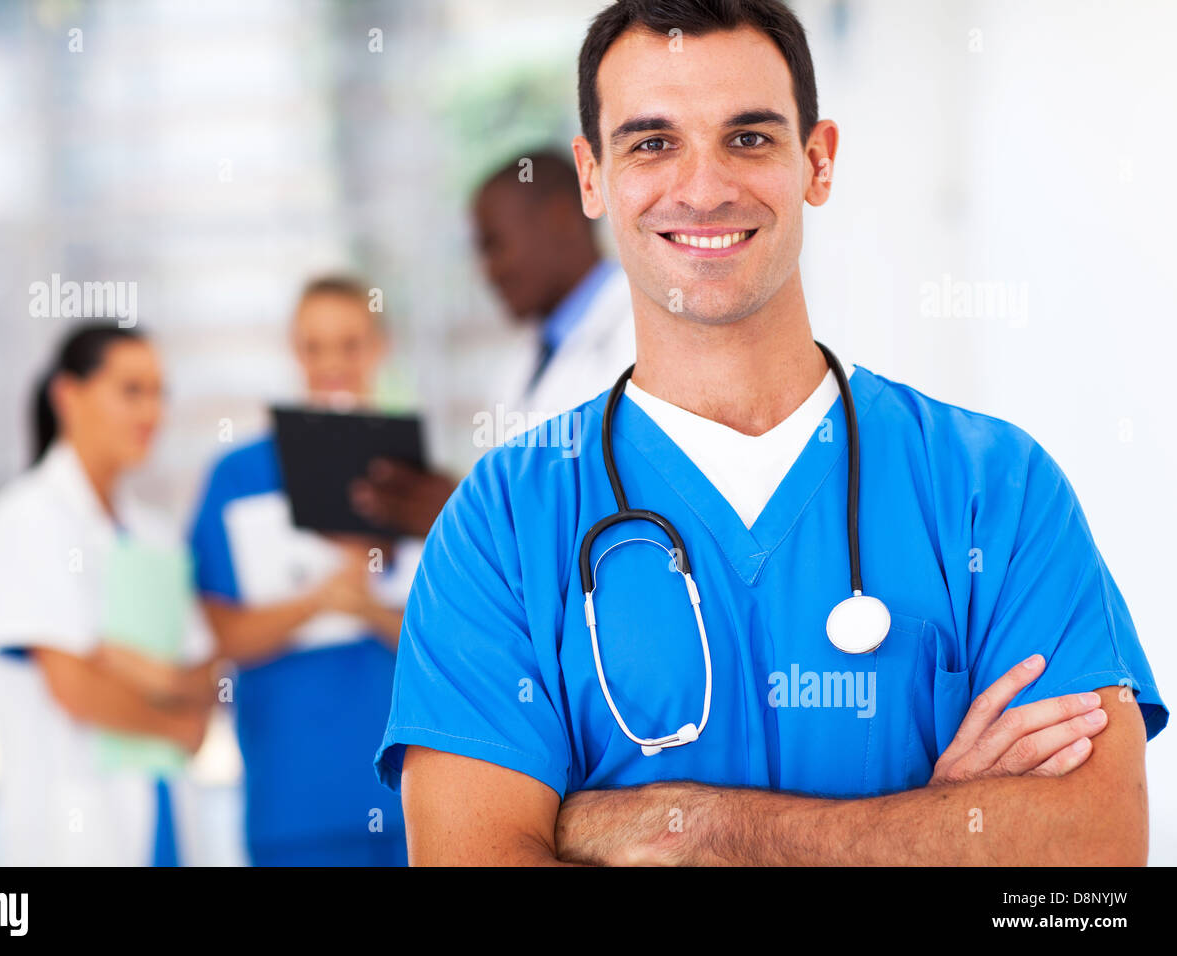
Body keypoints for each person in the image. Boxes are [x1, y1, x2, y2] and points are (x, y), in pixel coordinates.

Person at [376, 0, 1168, 865]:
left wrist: (700, 831)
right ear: (592, 177)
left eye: (748, 138)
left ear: (817, 162)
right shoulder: (498, 526)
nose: (705, 186)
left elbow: (1091, 872)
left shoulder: (995, 491)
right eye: (652, 143)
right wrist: (938, 825)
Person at [0, 323, 216, 866]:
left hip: (166, 819)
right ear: (67, 396)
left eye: (159, 393)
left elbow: (204, 676)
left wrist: (140, 669)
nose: (153, 413)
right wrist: (174, 719)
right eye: (131, 391)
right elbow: (75, 688)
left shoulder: (154, 532)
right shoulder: (24, 521)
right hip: (76, 834)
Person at [189, 275, 414, 866]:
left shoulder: (419, 485)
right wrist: (320, 600)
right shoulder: (237, 479)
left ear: (379, 348)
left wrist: (365, 607)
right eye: (314, 346)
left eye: (350, 344)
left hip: (413, 803)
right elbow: (222, 635)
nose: (332, 363)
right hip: (293, 805)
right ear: (295, 352)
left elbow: (454, 640)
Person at [348, 150, 637, 538]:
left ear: (561, 219)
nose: (486, 272)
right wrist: (456, 505)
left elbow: (613, 515)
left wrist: (464, 521)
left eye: (493, 245)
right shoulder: (521, 362)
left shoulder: (641, 338)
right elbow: (519, 504)